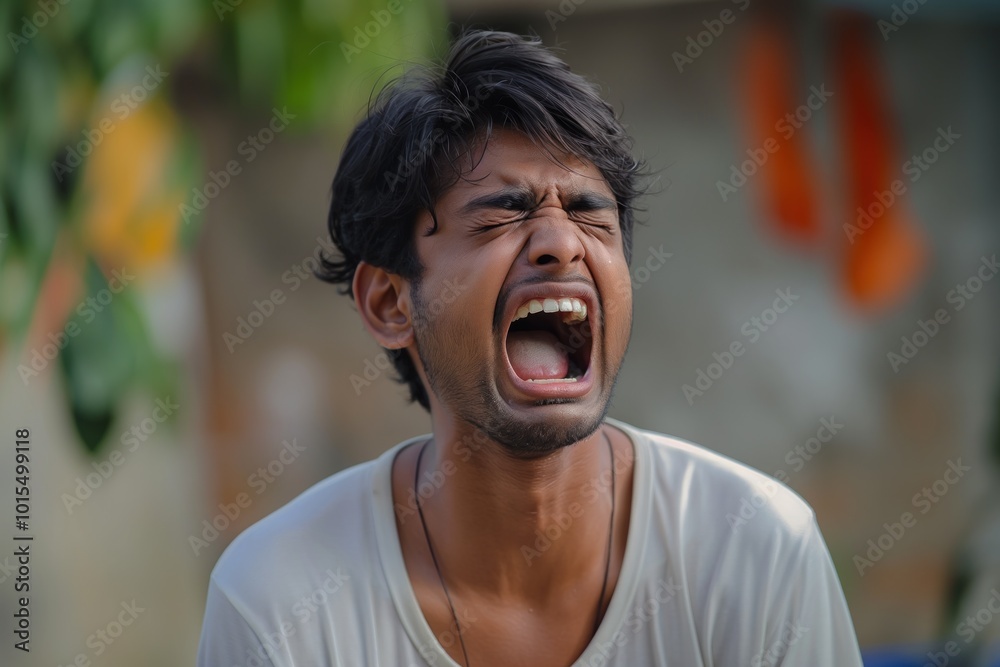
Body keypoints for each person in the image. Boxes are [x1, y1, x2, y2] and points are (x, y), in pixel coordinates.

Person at [197, 29, 864, 667]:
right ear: (390, 303)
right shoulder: (279, 601)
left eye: (590, 214)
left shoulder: (756, 553)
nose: (562, 243)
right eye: (502, 214)